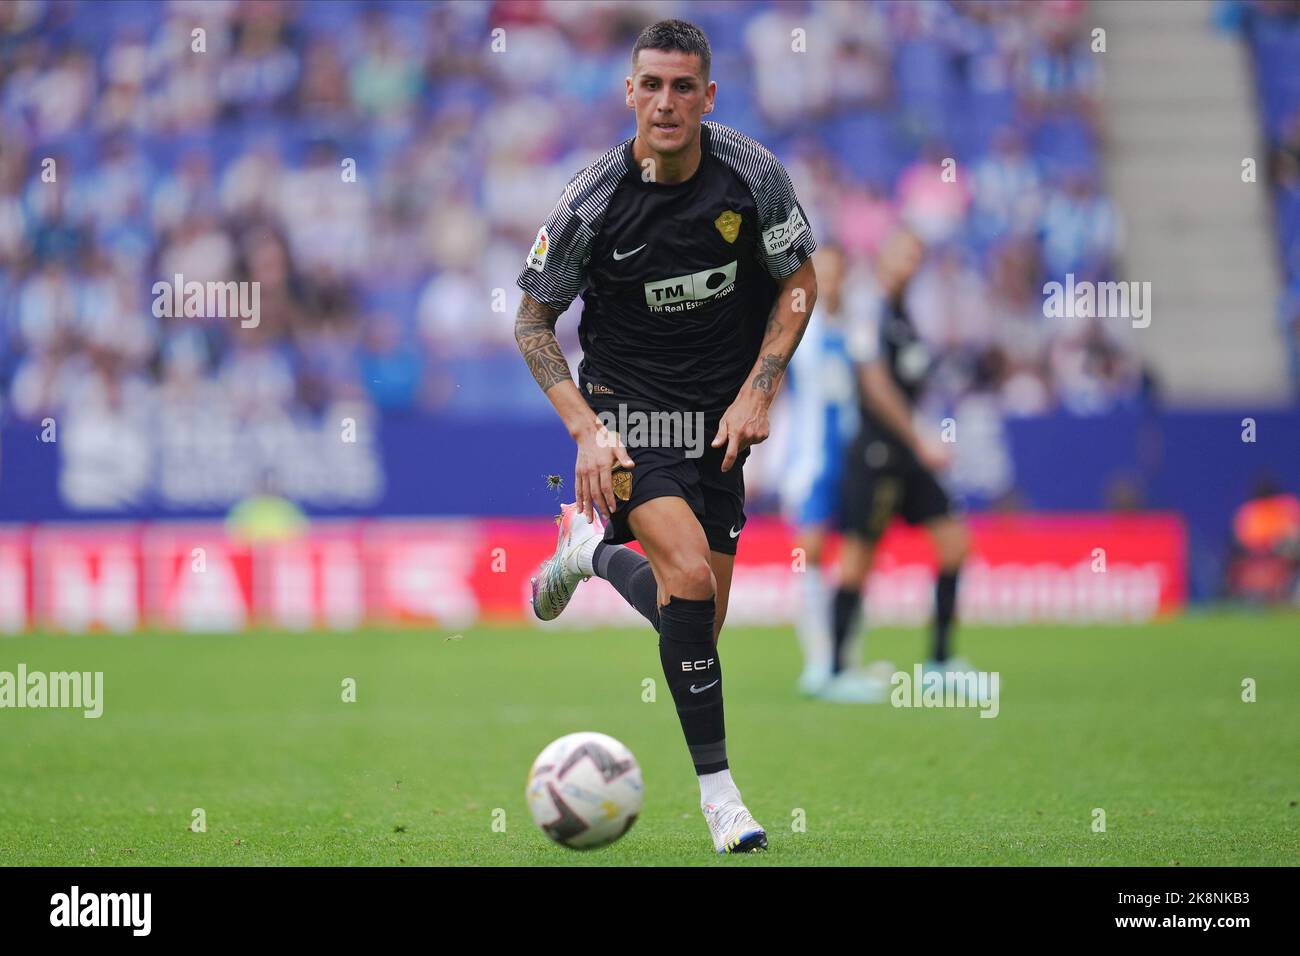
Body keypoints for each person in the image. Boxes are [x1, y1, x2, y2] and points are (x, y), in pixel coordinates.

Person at [514, 19, 817, 853]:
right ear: (629, 93)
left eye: (684, 86)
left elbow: (799, 284)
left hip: (723, 420)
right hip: (630, 411)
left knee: (698, 619)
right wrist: (585, 430)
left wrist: (761, 389)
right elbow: (533, 323)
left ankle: (589, 555)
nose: (667, 102)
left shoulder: (752, 178)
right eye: (652, 85)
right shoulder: (592, 200)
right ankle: (721, 799)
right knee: (684, 575)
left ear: (708, 96)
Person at [829, 228, 973, 703]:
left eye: (916, 256)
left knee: (953, 542)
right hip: (876, 452)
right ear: (881, 256)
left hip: (908, 454)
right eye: (901, 254)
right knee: (858, 558)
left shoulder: (902, 314)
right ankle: (835, 672)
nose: (909, 264)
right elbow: (873, 384)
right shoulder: (867, 310)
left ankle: (939, 662)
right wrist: (920, 435)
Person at [776, 243, 862, 693]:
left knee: (853, 559)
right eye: (820, 272)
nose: (827, 280)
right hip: (810, 463)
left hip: (854, 461)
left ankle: (845, 661)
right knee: (808, 557)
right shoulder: (796, 329)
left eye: (835, 271)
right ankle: (817, 660)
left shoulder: (855, 329)